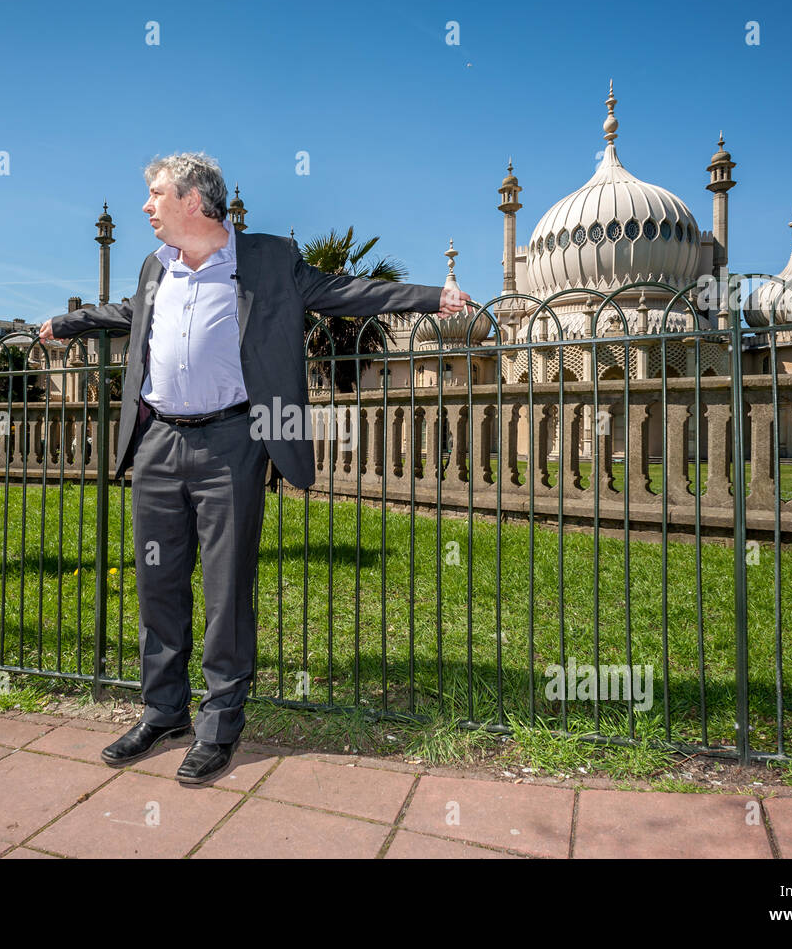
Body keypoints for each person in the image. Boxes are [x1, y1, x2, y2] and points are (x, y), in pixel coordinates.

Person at [39, 152, 469, 784]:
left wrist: (434, 296)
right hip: (158, 440)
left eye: (154, 193)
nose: (145, 206)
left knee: (224, 590)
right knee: (157, 584)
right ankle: (163, 711)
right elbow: (132, 318)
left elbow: (348, 294)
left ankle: (219, 724)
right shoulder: (153, 267)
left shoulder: (266, 259)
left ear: (191, 200)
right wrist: (69, 323)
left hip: (232, 443)